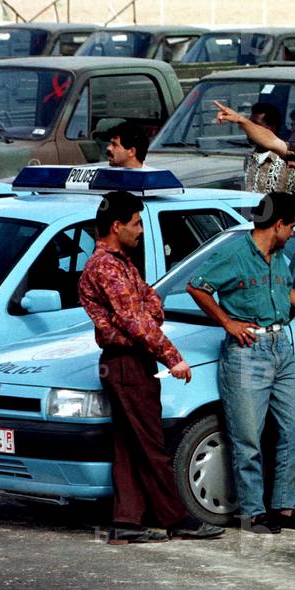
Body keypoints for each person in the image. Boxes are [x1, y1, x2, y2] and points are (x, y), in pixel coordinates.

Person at [186, 190, 295, 533]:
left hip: (281, 347)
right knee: (248, 438)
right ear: (278, 224)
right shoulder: (234, 254)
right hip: (248, 351)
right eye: (292, 227)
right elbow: (198, 287)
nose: (293, 233)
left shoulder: (277, 256)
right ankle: (253, 513)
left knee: (294, 431)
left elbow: (285, 291)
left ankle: (285, 508)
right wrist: (227, 322)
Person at [78, 192, 224, 545]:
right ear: (117, 226)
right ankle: (177, 518)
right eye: (136, 223)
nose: (141, 230)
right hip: (127, 362)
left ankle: (127, 521)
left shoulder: (120, 263)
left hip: (127, 360)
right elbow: (137, 320)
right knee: (150, 444)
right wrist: (173, 358)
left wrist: (144, 312)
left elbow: (152, 303)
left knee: (130, 446)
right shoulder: (108, 267)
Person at [243, 102, 295, 194]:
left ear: (271, 129)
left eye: (255, 125)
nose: (250, 129)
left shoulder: (288, 160)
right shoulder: (249, 159)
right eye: (249, 125)